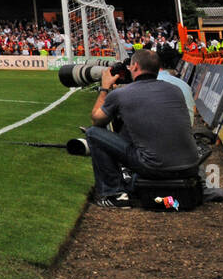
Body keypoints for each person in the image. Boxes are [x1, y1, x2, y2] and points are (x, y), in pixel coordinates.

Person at [79, 49, 200, 207]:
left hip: (156, 167)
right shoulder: (174, 90)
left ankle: (113, 193)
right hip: (190, 166)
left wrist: (104, 88)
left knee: (93, 133)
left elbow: (97, 120)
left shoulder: (122, 94)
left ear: (135, 66)